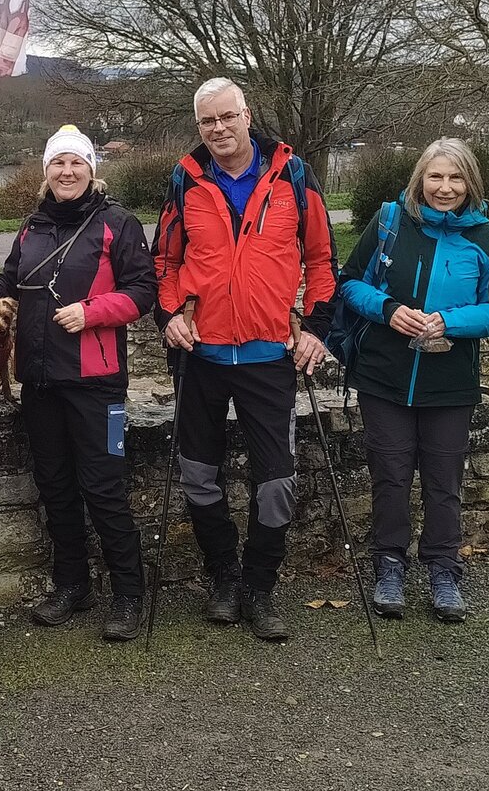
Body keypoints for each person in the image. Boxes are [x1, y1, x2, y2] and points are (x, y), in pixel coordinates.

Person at [153, 77, 337, 642]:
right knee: (199, 475)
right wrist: (170, 318)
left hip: (268, 354)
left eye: (227, 117)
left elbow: (323, 260)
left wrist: (317, 329)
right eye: (207, 121)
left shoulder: (291, 175)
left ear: (247, 114)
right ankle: (223, 578)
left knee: (276, 481)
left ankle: (260, 586)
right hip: (201, 353)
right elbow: (164, 261)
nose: (219, 129)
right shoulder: (186, 178)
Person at [0, 126, 157, 642]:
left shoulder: (117, 224)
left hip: (96, 383)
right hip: (39, 381)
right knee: (56, 489)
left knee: (104, 491)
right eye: (57, 163)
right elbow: (8, 282)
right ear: (46, 172)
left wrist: (92, 312)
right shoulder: (31, 227)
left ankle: (129, 594)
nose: (66, 172)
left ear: (91, 169)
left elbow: (143, 290)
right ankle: (72, 584)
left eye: (75, 163)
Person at [335, 139, 489, 625]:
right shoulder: (391, 221)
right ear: (420, 180)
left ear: (470, 184)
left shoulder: (488, 240)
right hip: (384, 376)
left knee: (444, 480)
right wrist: (389, 311)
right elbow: (349, 281)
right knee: (390, 476)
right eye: (435, 177)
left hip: (449, 381)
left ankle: (443, 568)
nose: (445, 188)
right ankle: (389, 565)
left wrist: (449, 322)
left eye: (456, 179)